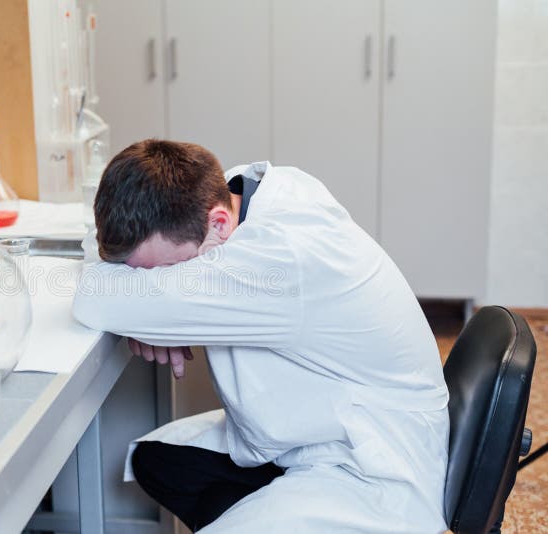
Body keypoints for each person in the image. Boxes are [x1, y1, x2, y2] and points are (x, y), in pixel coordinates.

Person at [72, 140, 449, 533]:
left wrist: (148, 311)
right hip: (316, 426)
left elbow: (92, 298)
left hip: (369, 469)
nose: (160, 280)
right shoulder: (229, 199)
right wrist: (151, 313)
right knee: (159, 463)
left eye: (164, 273)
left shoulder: (278, 258)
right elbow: (95, 244)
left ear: (218, 224)